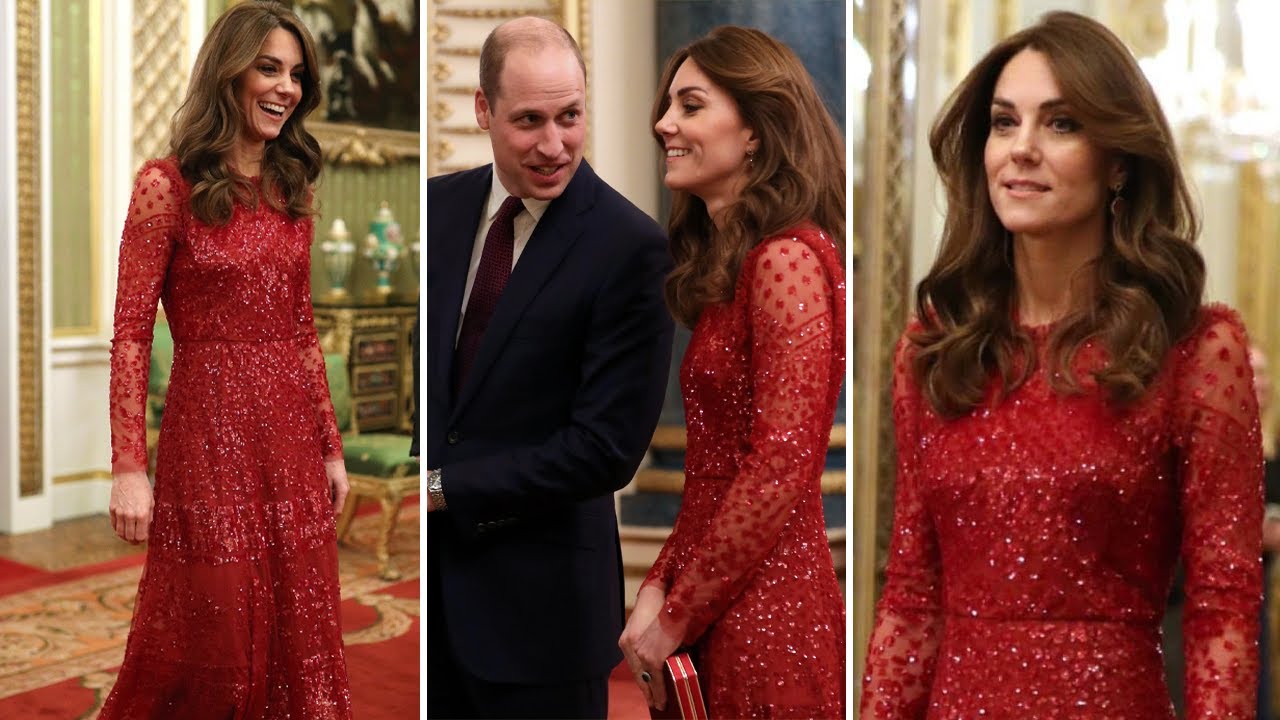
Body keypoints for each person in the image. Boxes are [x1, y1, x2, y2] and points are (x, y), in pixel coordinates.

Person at [860, 11, 1263, 719]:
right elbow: (912, 597)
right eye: (1003, 122)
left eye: (1061, 124)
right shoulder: (935, 350)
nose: (1021, 149)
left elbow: (1222, 606)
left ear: (1118, 160)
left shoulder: (1196, 350)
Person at [102, 2, 351, 718]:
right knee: (215, 622)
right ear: (228, 73)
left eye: (297, 74)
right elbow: (129, 333)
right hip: (206, 435)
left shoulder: (292, 184)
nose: (286, 88)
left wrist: (330, 449)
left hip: (290, 442)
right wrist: (128, 468)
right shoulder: (165, 184)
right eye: (268, 68)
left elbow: (302, 330)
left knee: (296, 618)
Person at [424, 16, 674, 719]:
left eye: (570, 116)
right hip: (433, 607)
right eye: (529, 120)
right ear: (484, 110)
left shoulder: (632, 248)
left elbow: (604, 451)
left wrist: (442, 489)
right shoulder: (438, 208)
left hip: (542, 618)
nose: (554, 144)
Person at [617, 25, 846, 718]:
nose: (664, 124)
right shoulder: (740, 266)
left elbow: (778, 466)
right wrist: (659, 581)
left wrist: (676, 611)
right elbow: (715, 473)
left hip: (767, 609)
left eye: (690, 106)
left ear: (755, 131)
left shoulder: (783, 260)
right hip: (722, 591)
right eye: (668, 106)